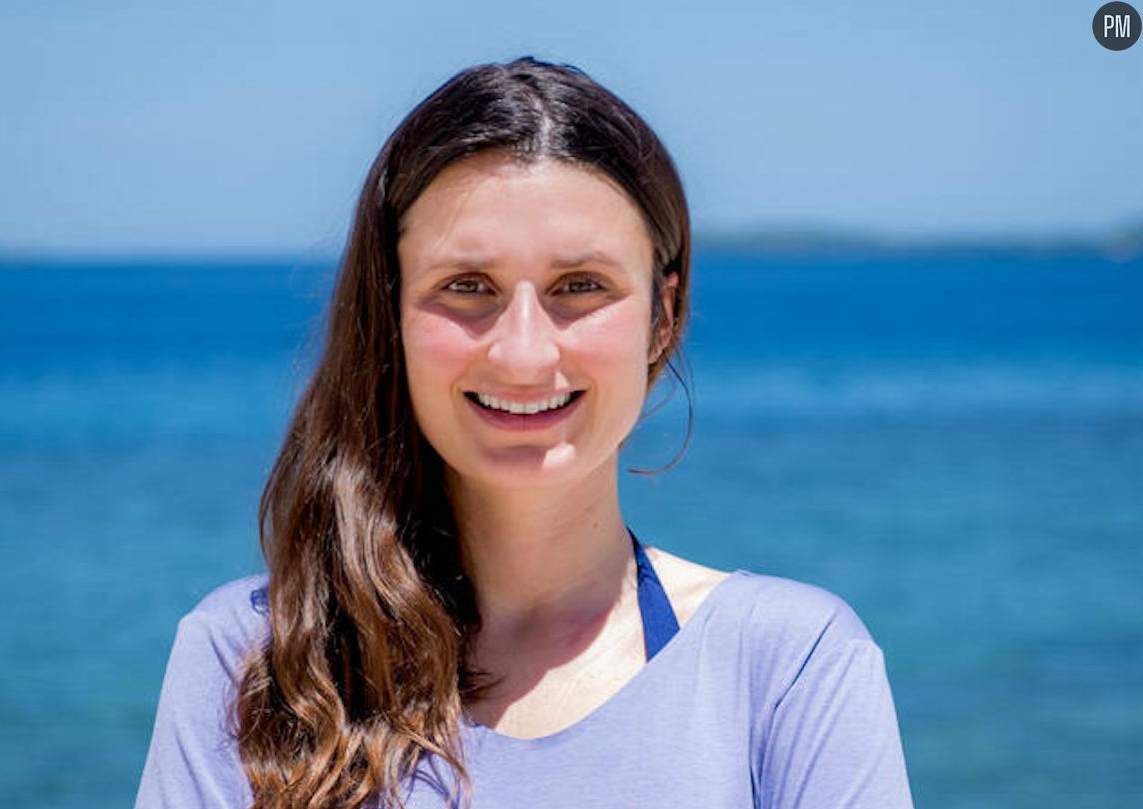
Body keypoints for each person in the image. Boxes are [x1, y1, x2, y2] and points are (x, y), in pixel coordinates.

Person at [134, 56, 915, 809]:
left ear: (662, 314)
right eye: (467, 286)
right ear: (391, 313)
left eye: (581, 286)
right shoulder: (252, 659)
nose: (523, 352)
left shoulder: (789, 667)